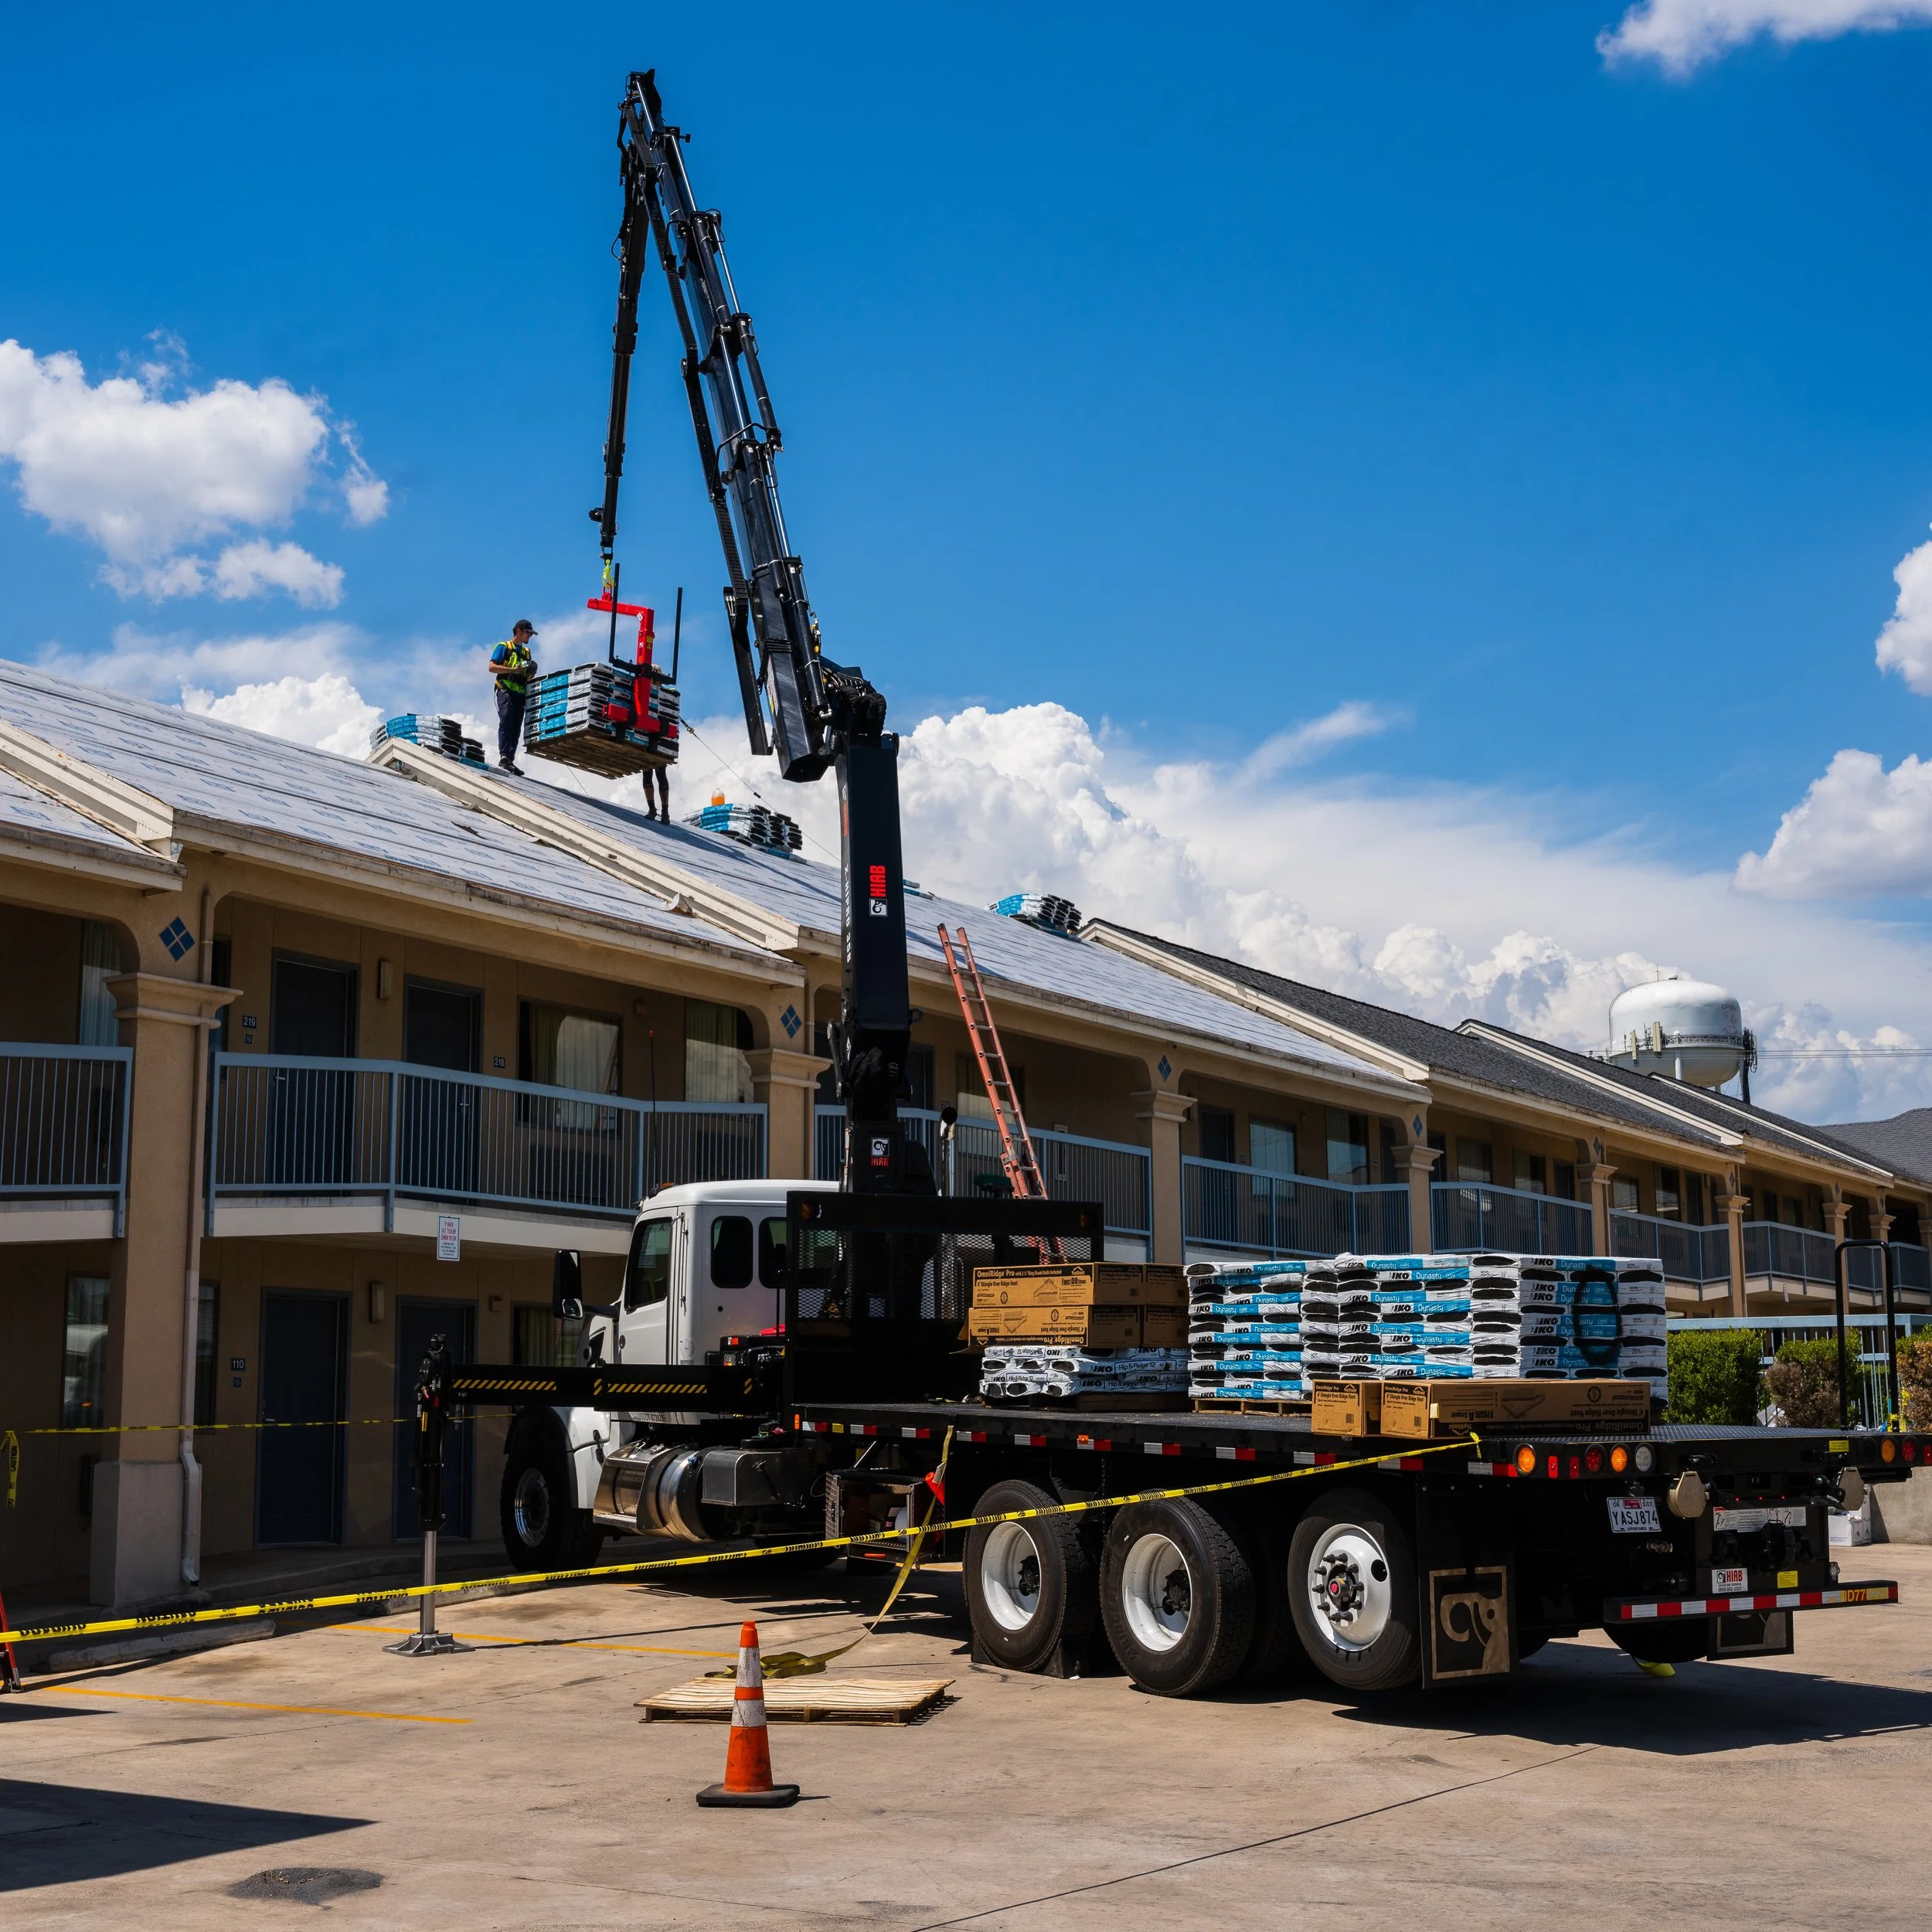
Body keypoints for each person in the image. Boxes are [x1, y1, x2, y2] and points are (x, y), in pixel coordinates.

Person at [488, 621, 539, 773]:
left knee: (516, 726)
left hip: (520, 692)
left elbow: (527, 677)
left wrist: (532, 672)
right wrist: (513, 670)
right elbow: (491, 667)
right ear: (518, 631)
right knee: (506, 719)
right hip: (504, 688)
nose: (530, 636)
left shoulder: (527, 652)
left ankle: (509, 760)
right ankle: (504, 756)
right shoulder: (504, 647)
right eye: (528, 633)